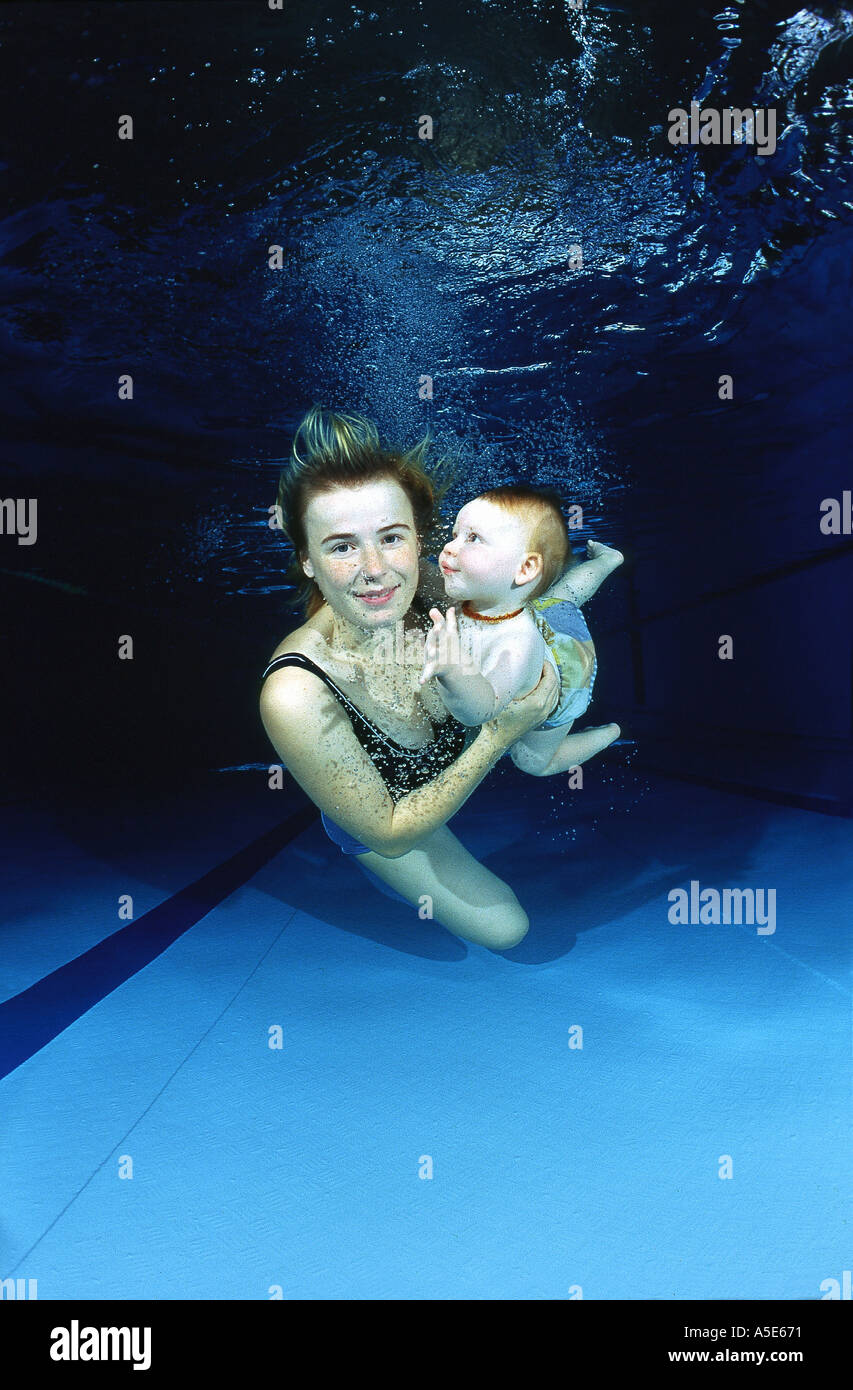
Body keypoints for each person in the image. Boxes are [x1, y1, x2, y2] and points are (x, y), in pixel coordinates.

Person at [259, 407, 559, 951]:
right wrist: (498, 736)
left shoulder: (443, 590)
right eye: (342, 546)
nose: (376, 570)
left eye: (392, 538)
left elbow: (540, 603)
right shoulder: (297, 691)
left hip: (452, 757)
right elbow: (391, 832)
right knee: (507, 929)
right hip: (387, 810)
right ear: (307, 559)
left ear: (420, 538)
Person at [421, 484, 623, 776]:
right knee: (564, 595)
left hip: (566, 681)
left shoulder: (516, 646)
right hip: (547, 620)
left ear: (525, 569)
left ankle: (609, 734)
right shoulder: (495, 596)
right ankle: (608, 560)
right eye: (455, 535)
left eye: (473, 538)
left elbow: (481, 709)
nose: (449, 546)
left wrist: (452, 670)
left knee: (533, 762)